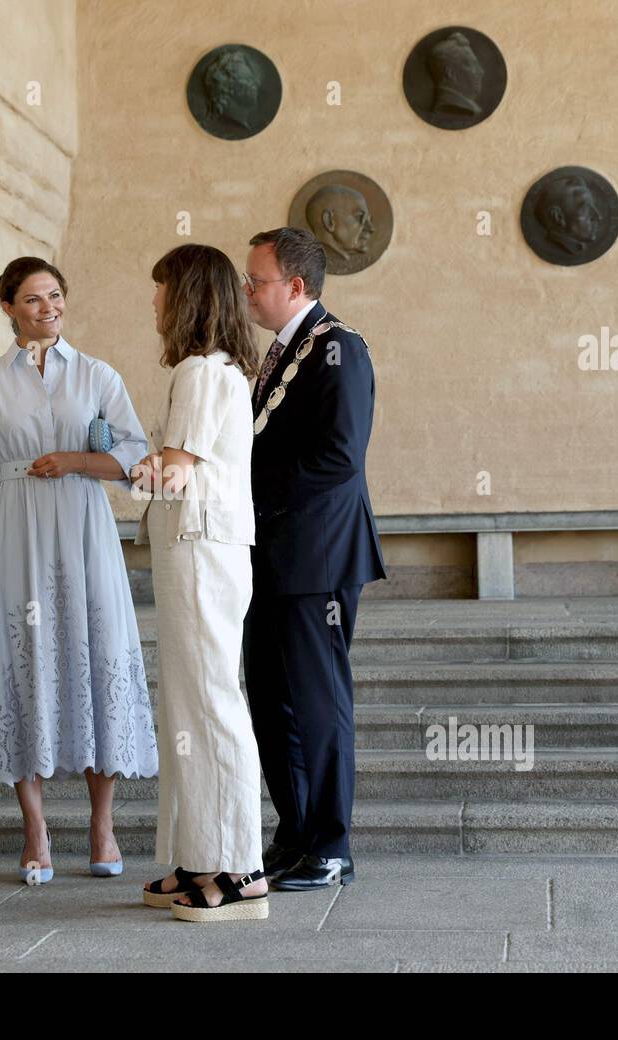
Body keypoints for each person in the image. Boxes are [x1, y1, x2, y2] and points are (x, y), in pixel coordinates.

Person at [0, 257, 157, 882]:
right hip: (14, 535)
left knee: (95, 657)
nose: (48, 308)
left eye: (55, 296)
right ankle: (35, 829)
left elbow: (135, 452)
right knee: (22, 663)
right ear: (8, 307)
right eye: (33, 299)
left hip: (85, 530)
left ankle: (103, 825)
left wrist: (74, 459)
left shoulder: (97, 374)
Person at [241, 227, 387, 891]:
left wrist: (242, 492)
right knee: (272, 703)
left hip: (317, 558)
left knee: (317, 704)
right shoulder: (280, 352)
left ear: (295, 286)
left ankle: (331, 847)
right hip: (269, 557)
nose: (247, 291)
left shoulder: (339, 348)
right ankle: (295, 834)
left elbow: (339, 457)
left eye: (257, 280)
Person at [131, 244, 267, 922]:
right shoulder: (218, 372)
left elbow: (175, 471)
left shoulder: (199, 371)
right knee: (190, 707)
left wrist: (121, 467)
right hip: (203, 550)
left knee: (209, 704)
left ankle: (238, 869)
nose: (153, 303)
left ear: (185, 296)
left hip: (199, 550)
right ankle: (197, 856)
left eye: (160, 290)